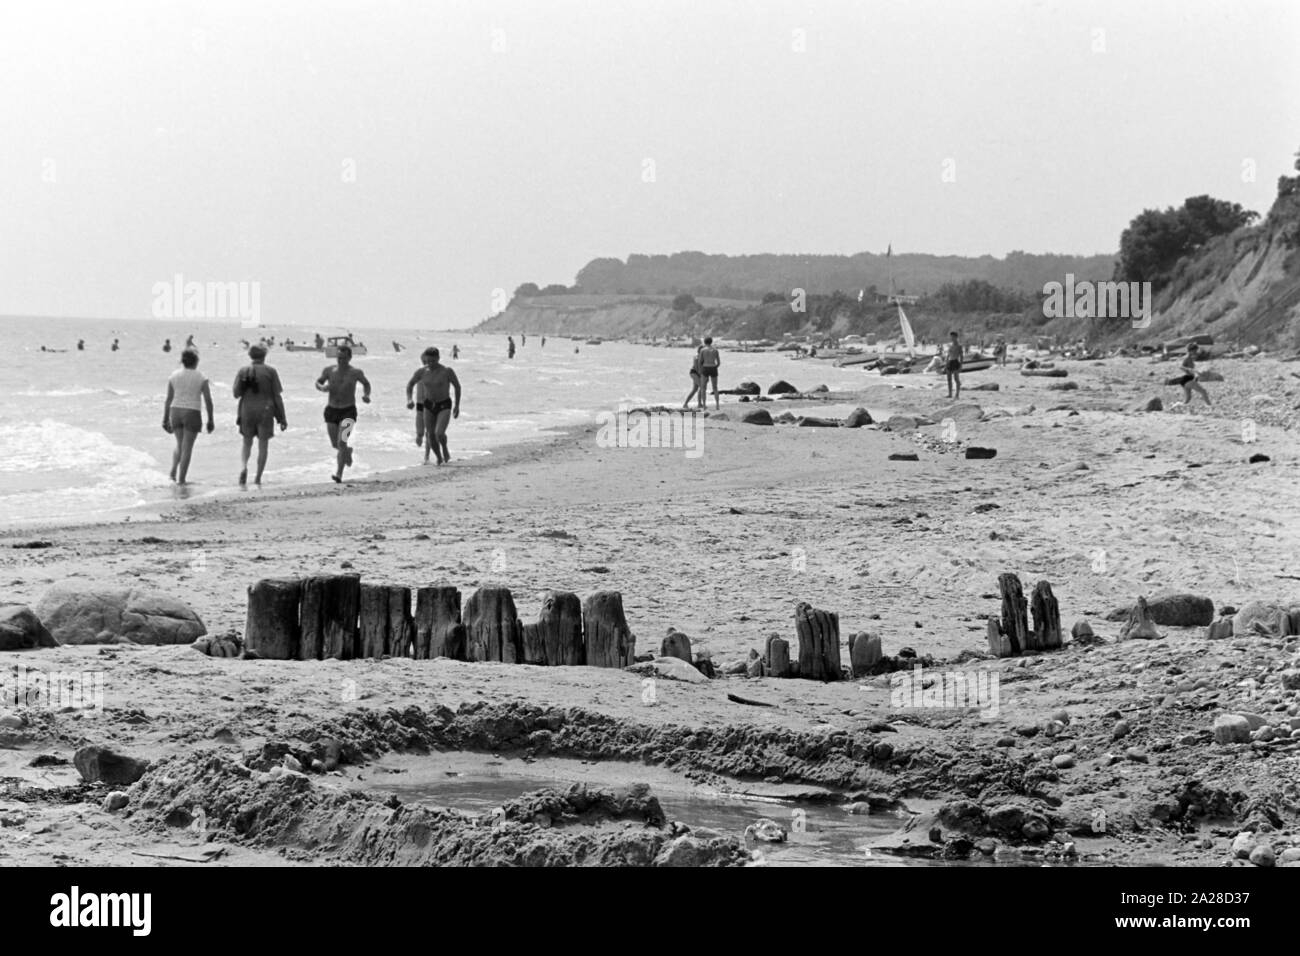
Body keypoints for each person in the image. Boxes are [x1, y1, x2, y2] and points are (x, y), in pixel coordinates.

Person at [316, 345, 371, 483]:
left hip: (348, 411)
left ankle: (339, 474)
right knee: (335, 444)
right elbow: (318, 382)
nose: (341, 360)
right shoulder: (329, 370)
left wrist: (366, 395)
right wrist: (321, 387)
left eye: (344, 358)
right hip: (331, 411)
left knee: (342, 442)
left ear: (350, 358)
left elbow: (366, 384)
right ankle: (348, 452)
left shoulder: (356, 372)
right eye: (339, 358)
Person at [233, 344, 287, 486]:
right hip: (265, 410)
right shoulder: (270, 371)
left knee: (246, 443)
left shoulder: (243, 371)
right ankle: (257, 478)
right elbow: (277, 396)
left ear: (250, 355)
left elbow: (236, 394)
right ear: (264, 355)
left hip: (247, 410)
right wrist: (282, 417)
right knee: (263, 446)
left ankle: (244, 467)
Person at [162, 348, 214, 485]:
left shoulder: (173, 375)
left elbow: (168, 399)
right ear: (196, 362)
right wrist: (210, 419)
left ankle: (172, 473)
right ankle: (181, 479)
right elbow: (208, 400)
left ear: (183, 361)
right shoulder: (201, 377)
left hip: (175, 411)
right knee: (187, 447)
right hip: (192, 412)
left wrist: (165, 418)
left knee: (179, 444)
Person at [405, 347, 462, 465]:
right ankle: (439, 457)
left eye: (433, 361)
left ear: (438, 358)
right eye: (428, 361)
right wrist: (409, 399)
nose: (430, 364)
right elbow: (410, 385)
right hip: (429, 405)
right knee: (430, 435)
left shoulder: (447, 371)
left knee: (439, 433)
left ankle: (445, 448)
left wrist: (457, 405)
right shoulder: (422, 372)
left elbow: (457, 386)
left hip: (444, 404)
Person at [1169, 343, 1213, 408]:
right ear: (1190, 350)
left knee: (1187, 399)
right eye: (1194, 350)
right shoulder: (1187, 358)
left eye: (1196, 350)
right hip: (1187, 379)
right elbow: (1181, 367)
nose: (1196, 352)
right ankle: (1210, 406)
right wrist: (1189, 370)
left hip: (1187, 379)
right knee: (1203, 391)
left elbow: (1189, 369)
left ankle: (1175, 406)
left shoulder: (1190, 358)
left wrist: (1195, 372)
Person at [697, 336, 721, 410]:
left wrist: (700, 370)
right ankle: (717, 405)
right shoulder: (715, 350)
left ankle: (704, 405)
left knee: (703, 387)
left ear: (704, 342)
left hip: (705, 367)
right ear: (711, 342)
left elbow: (700, 361)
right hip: (713, 367)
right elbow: (719, 362)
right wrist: (715, 367)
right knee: (715, 387)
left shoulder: (703, 350)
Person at [945, 331, 964, 399]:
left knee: (956, 379)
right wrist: (946, 362)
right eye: (951, 337)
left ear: (956, 337)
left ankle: (957, 394)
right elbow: (948, 354)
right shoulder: (950, 345)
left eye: (953, 337)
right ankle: (950, 394)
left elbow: (961, 356)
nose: (952, 338)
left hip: (956, 361)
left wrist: (961, 365)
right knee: (949, 379)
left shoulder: (959, 346)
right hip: (950, 361)